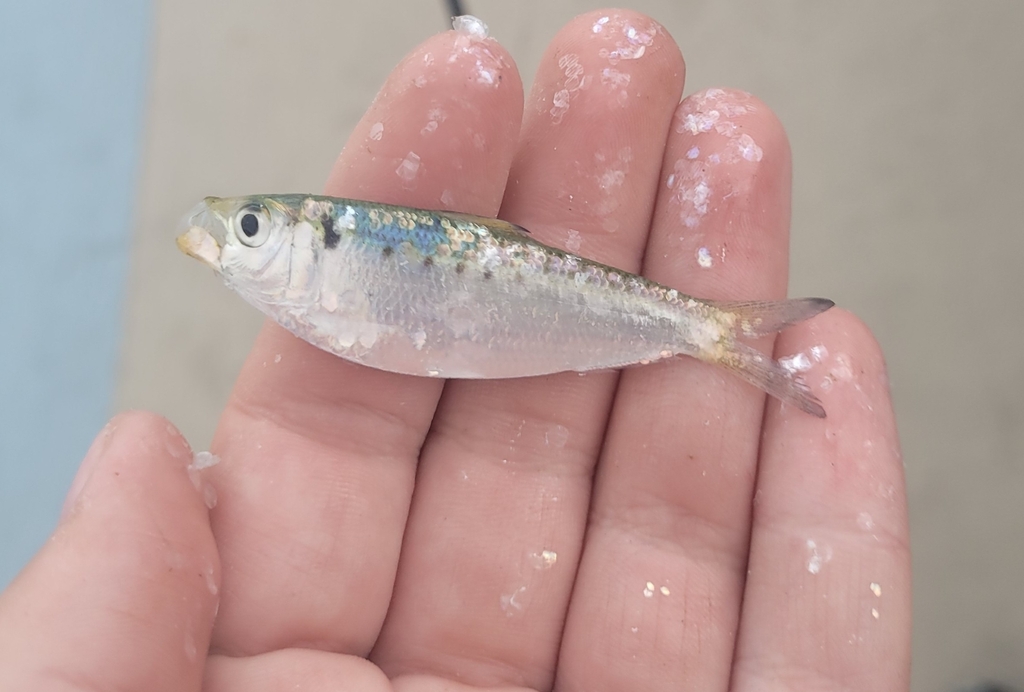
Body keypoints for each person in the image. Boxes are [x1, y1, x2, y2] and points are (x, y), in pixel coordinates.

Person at [0, 10, 910, 691]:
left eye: (247, 229)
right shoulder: (315, 282)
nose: (229, 244)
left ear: (310, 238)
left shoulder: (334, 253)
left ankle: (712, 329)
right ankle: (711, 330)